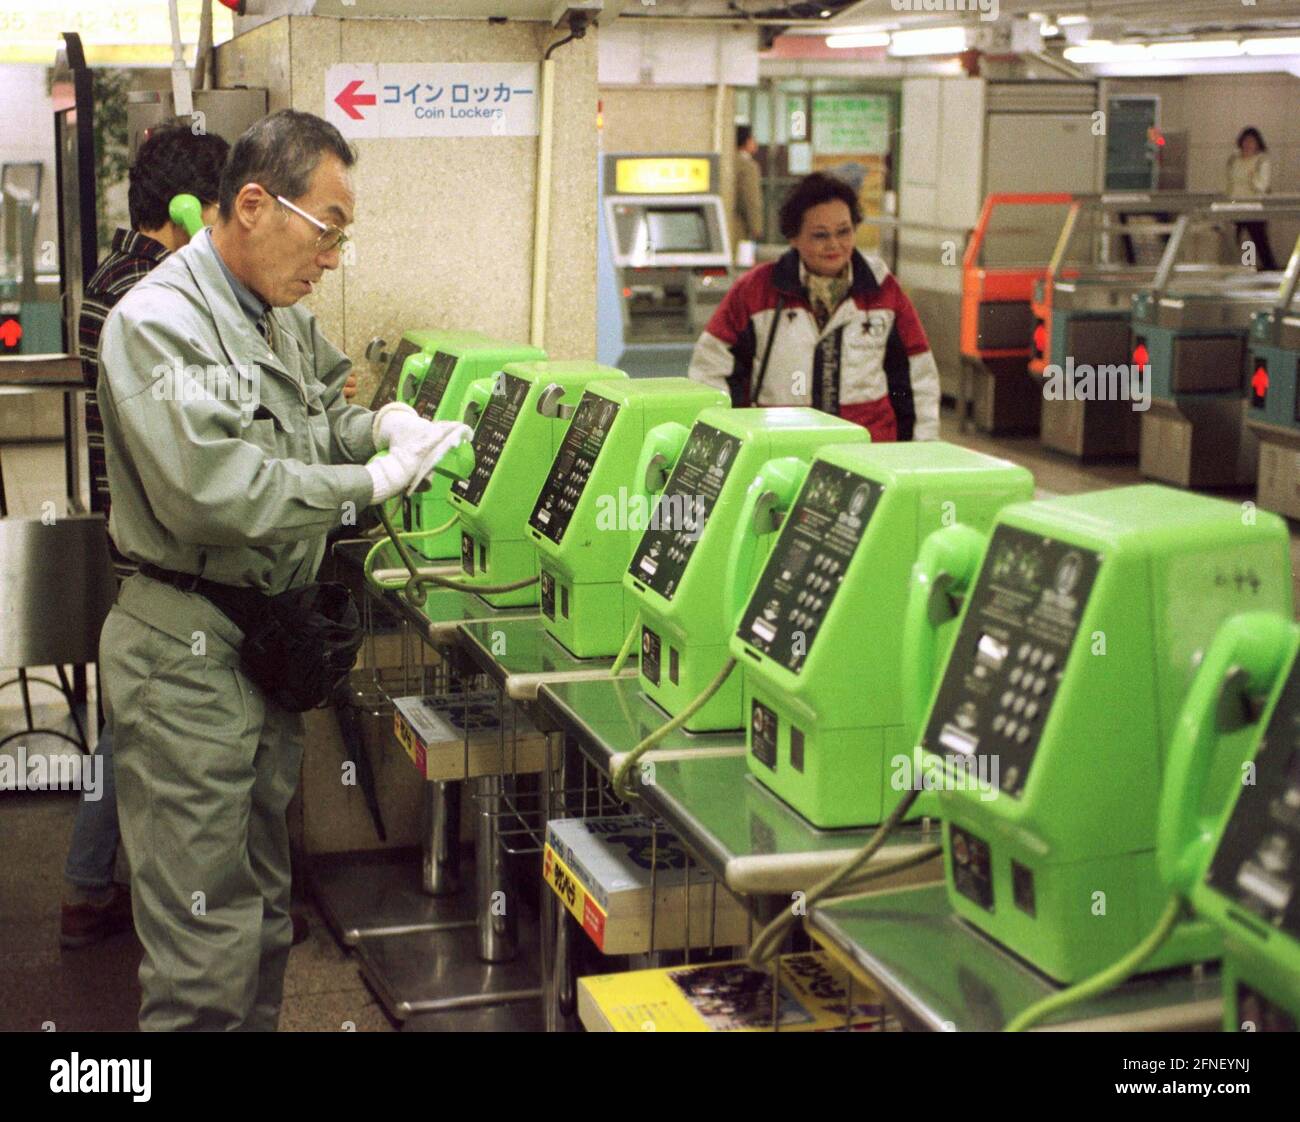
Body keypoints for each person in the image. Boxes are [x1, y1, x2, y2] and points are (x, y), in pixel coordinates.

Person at [95, 109, 468, 1031]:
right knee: (203, 959)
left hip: (259, 649)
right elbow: (213, 491)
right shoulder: (158, 323)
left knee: (261, 922)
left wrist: (383, 427)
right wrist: (366, 481)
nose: (334, 257)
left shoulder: (276, 318)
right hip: (184, 655)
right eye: (328, 228)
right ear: (254, 204)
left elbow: (318, 420)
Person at [62, 124, 230, 949]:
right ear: (191, 207)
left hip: (126, 532)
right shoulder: (151, 294)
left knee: (127, 722)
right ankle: (121, 896)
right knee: (148, 731)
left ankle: (90, 883)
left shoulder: (110, 277)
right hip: (154, 545)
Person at [689, 171, 940, 442]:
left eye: (843, 232)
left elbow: (917, 380)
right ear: (794, 238)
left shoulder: (884, 292)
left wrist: (918, 453)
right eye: (820, 235)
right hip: (781, 454)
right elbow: (711, 370)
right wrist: (733, 440)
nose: (834, 245)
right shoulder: (756, 292)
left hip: (868, 457)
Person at [1227, 126, 1277, 271]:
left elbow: (1262, 186)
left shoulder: (1261, 161)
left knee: (1259, 241)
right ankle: (1243, 269)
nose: (1248, 145)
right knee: (1237, 241)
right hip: (1235, 205)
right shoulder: (1234, 160)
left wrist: (1252, 176)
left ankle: (1268, 269)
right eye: (1246, 141)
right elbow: (1230, 182)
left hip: (1254, 207)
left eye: (1252, 142)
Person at [732, 125, 764, 261]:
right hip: (740, 227)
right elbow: (751, 200)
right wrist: (756, 227)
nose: (755, 142)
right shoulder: (748, 166)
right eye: (753, 139)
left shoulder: (729, 161)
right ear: (746, 141)